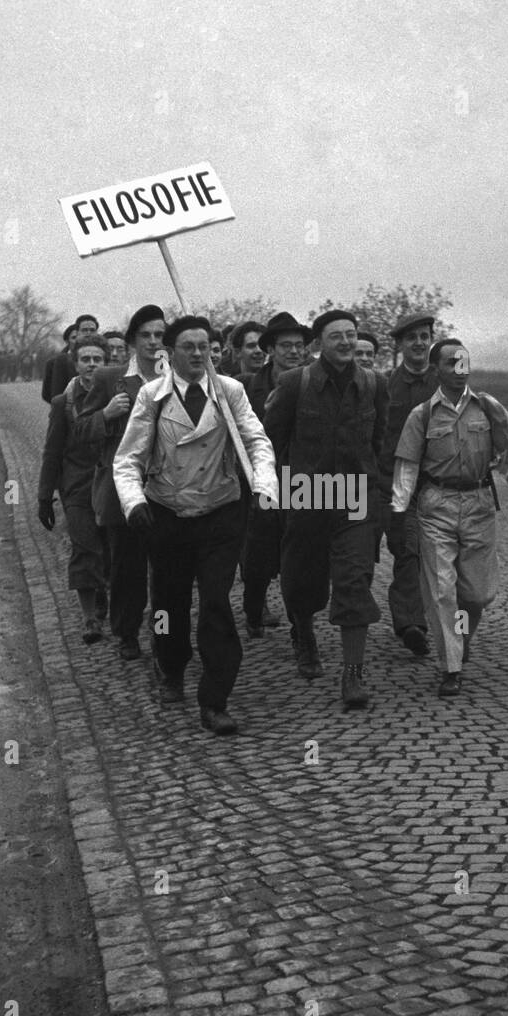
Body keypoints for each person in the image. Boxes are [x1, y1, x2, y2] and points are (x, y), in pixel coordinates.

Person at [114, 316, 278, 735]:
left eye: (204, 345)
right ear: (170, 352)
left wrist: (264, 484)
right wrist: (133, 503)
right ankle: (170, 665)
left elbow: (256, 440)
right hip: (167, 513)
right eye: (188, 346)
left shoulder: (230, 391)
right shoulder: (152, 396)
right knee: (169, 603)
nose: (198, 353)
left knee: (217, 601)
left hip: (220, 510)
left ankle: (216, 696)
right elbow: (128, 458)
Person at [391, 339, 508, 696]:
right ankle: (451, 666)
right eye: (451, 364)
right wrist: (398, 510)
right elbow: (407, 467)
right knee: (441, 590)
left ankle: (462, 635)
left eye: (464, 362)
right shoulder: (422, 415)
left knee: (478, 593)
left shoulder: (488, 407)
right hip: (436, 504)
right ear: (437, 370)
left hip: (479, 502)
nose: (459, 370)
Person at [264, 309, 388, 710]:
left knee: (354, 580)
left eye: (351, 335)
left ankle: (353, 674)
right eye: (337, 336)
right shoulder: (293, 384)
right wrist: (273, 491)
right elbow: (271, 443)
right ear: (319, 344)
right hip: (308, 493)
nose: (347, 343)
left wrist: (379, 494)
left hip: (354, 494)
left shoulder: (372, 383)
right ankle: (303, 631)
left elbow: (380, 442)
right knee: (304, 581)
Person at [69, 305, 165, 660]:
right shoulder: (111, 379)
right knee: (127, 568)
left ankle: (163, 632)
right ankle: (126, 633)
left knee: (166, 570)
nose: (154, 343)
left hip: (168, 488)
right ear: (131, 341)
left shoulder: (175, 377)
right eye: (146, 336)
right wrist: (106, 416)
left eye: (160, 336)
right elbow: (78, 431)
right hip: (124, 492)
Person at [241, 311, 310, 638]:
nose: (294, 352)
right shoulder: (247, 387)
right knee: (258, 558)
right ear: (271, 349)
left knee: (300, 559)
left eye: (299, 345)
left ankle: (302, 630)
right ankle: (253, 606)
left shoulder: (313, 382)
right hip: (261, 483)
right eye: (286, 346)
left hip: (305, 483)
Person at [37, 337, 110, 644]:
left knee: (109, 551)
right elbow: (52, 451)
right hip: (76, 487)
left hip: (111, 484)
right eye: (85, 359)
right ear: (76, 363)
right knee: (84, 547)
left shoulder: (118, 396)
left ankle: (103, 591)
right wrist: (44, 496)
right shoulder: (63, 403)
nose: (92, 364)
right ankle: (89, 618)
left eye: (98, 359)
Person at [380, 311, 440, 658]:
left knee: (446, 558)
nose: (419, 343)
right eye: (411, 338)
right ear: (400, 345)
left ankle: (453, 627)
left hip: (439, 485)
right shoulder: (384, 385)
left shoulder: (445, 383)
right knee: (407, 551)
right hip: (398, 484)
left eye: (424, 336)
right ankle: (410, 624)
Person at [41, 323, 78, 403]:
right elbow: (46, 394)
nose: (78, 340)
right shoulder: (52, 363)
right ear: (67, 341)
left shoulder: (97, 361)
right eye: (74, 338)